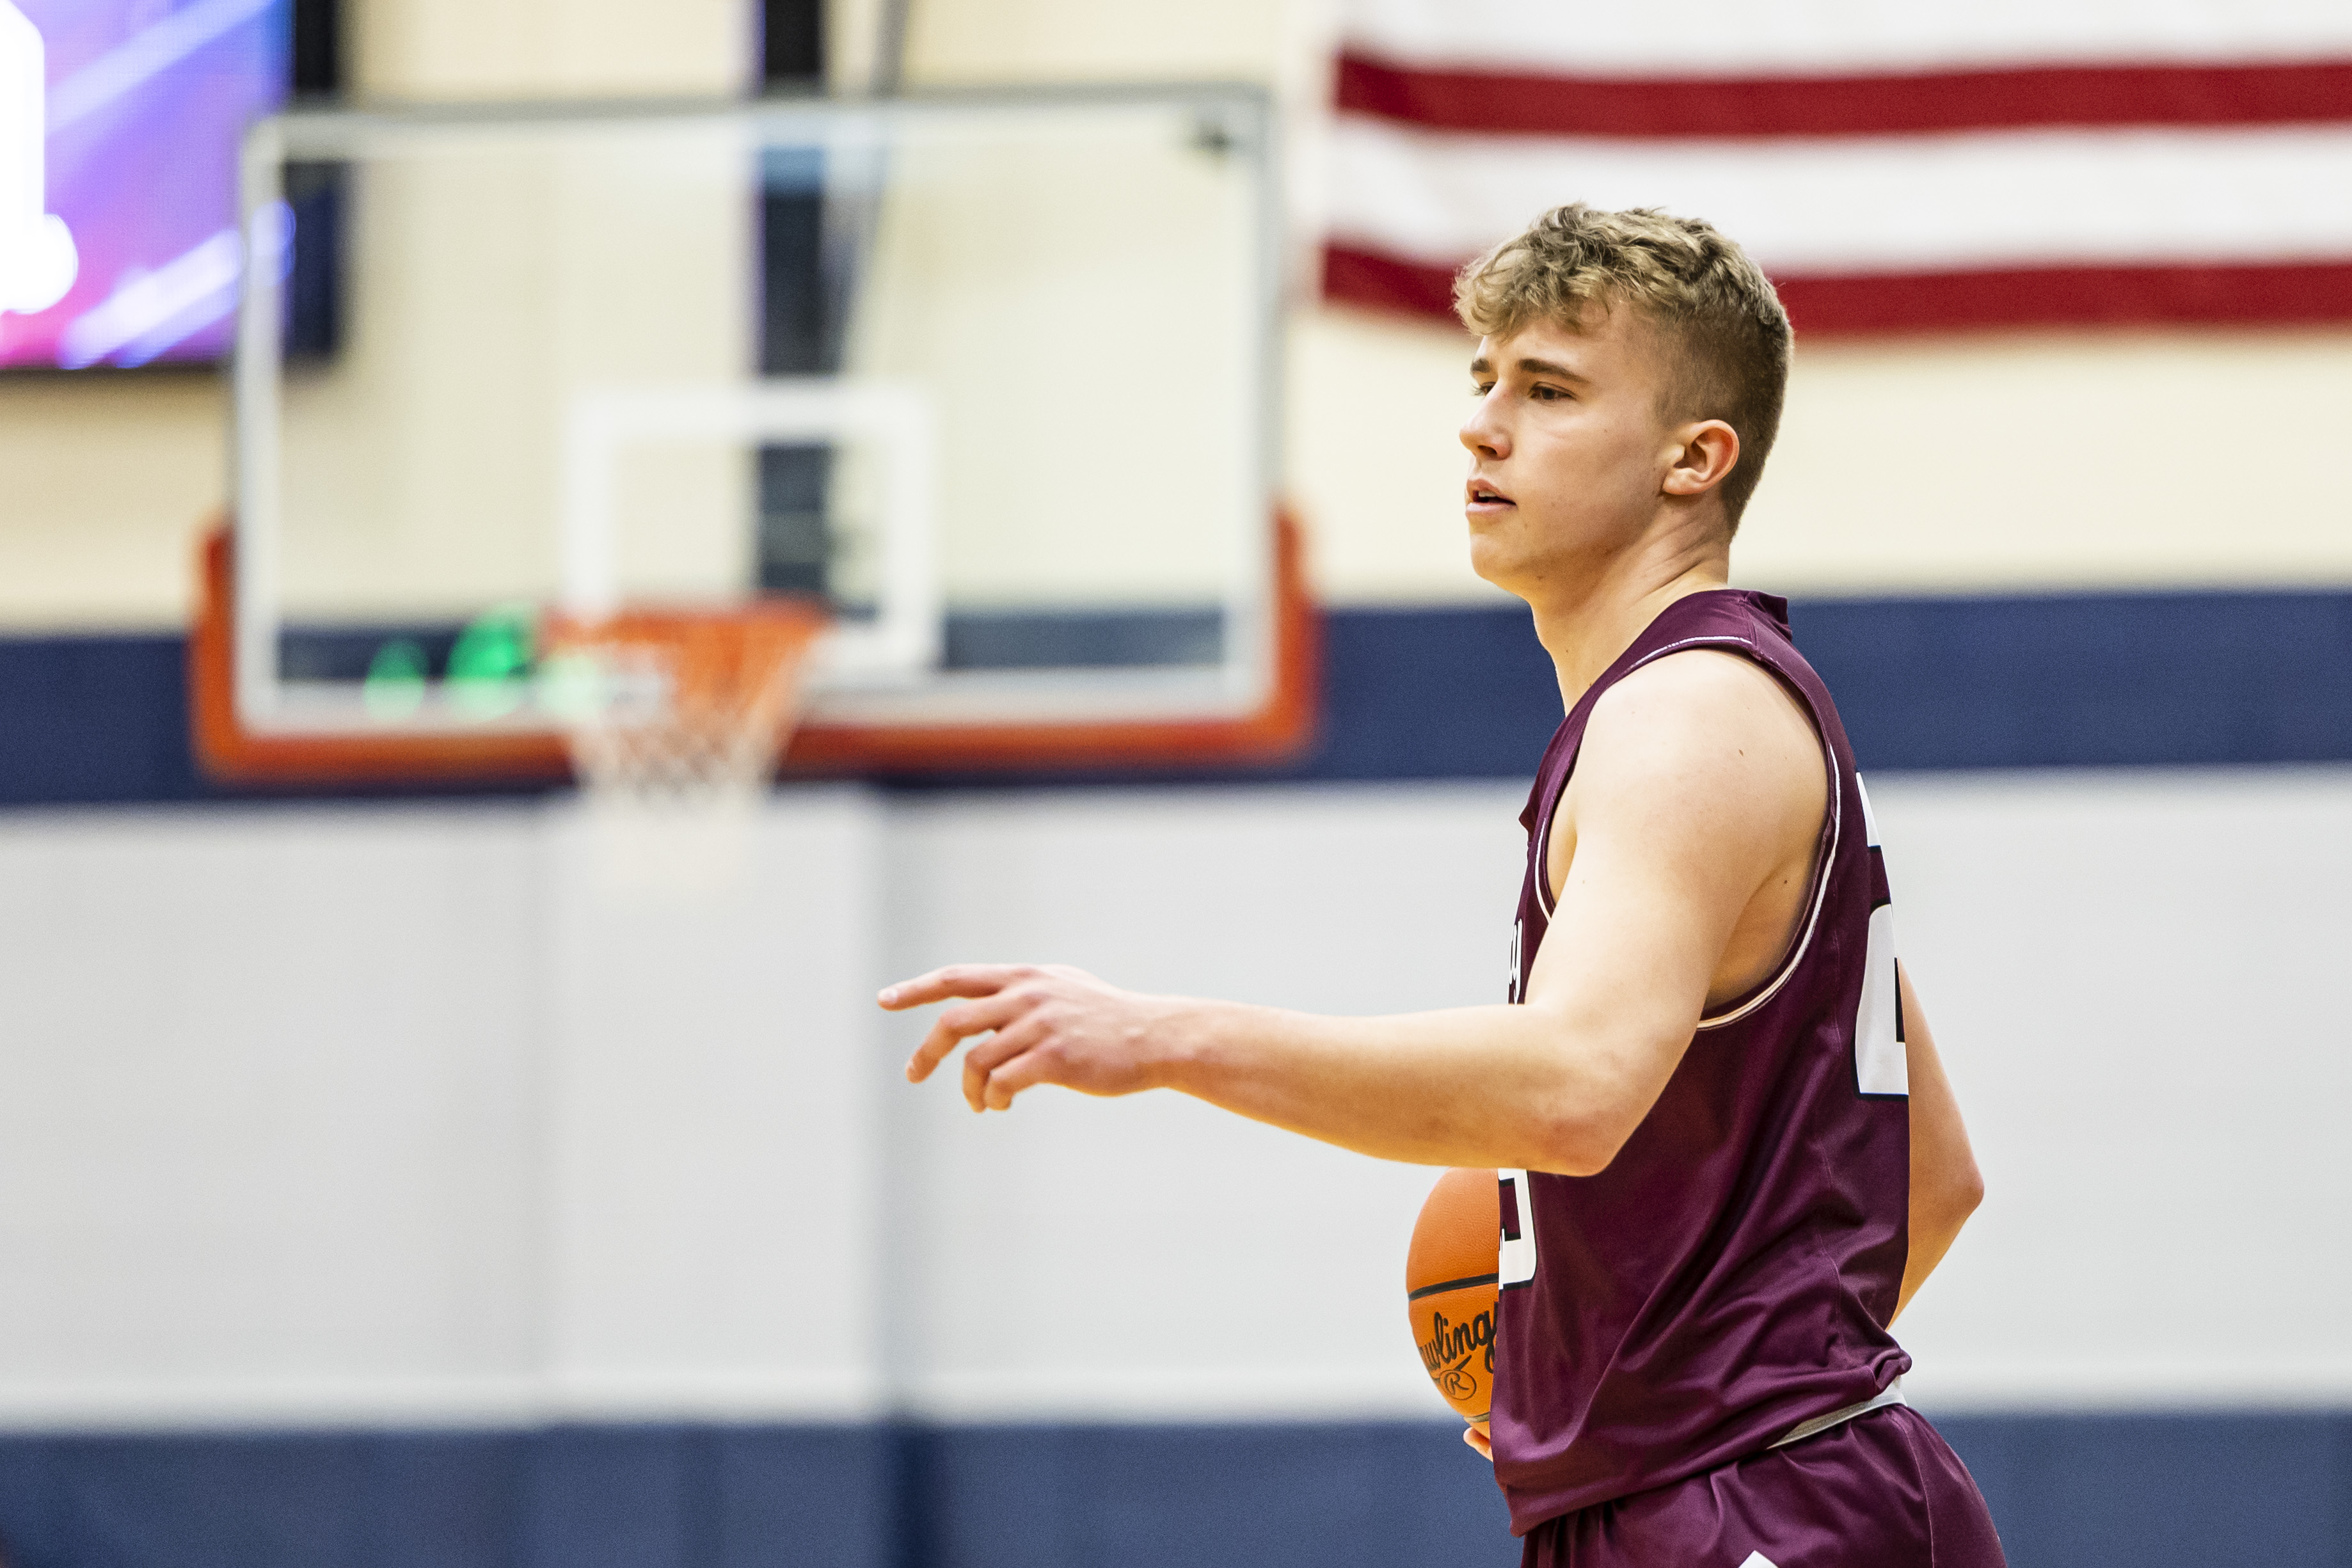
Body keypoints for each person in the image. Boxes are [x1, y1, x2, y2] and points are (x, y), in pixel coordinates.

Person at [879, 203, 2003, 1567]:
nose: (1481, 423)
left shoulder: (1685, 721)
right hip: (1722, 1487)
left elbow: (1573, 1084)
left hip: (1749, 1507)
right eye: (1481, 378)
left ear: (1691, 458)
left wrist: (1164, 1035)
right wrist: (1618, 1388)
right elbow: (1929, 1175)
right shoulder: (1703, 716)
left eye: (1547, 390)